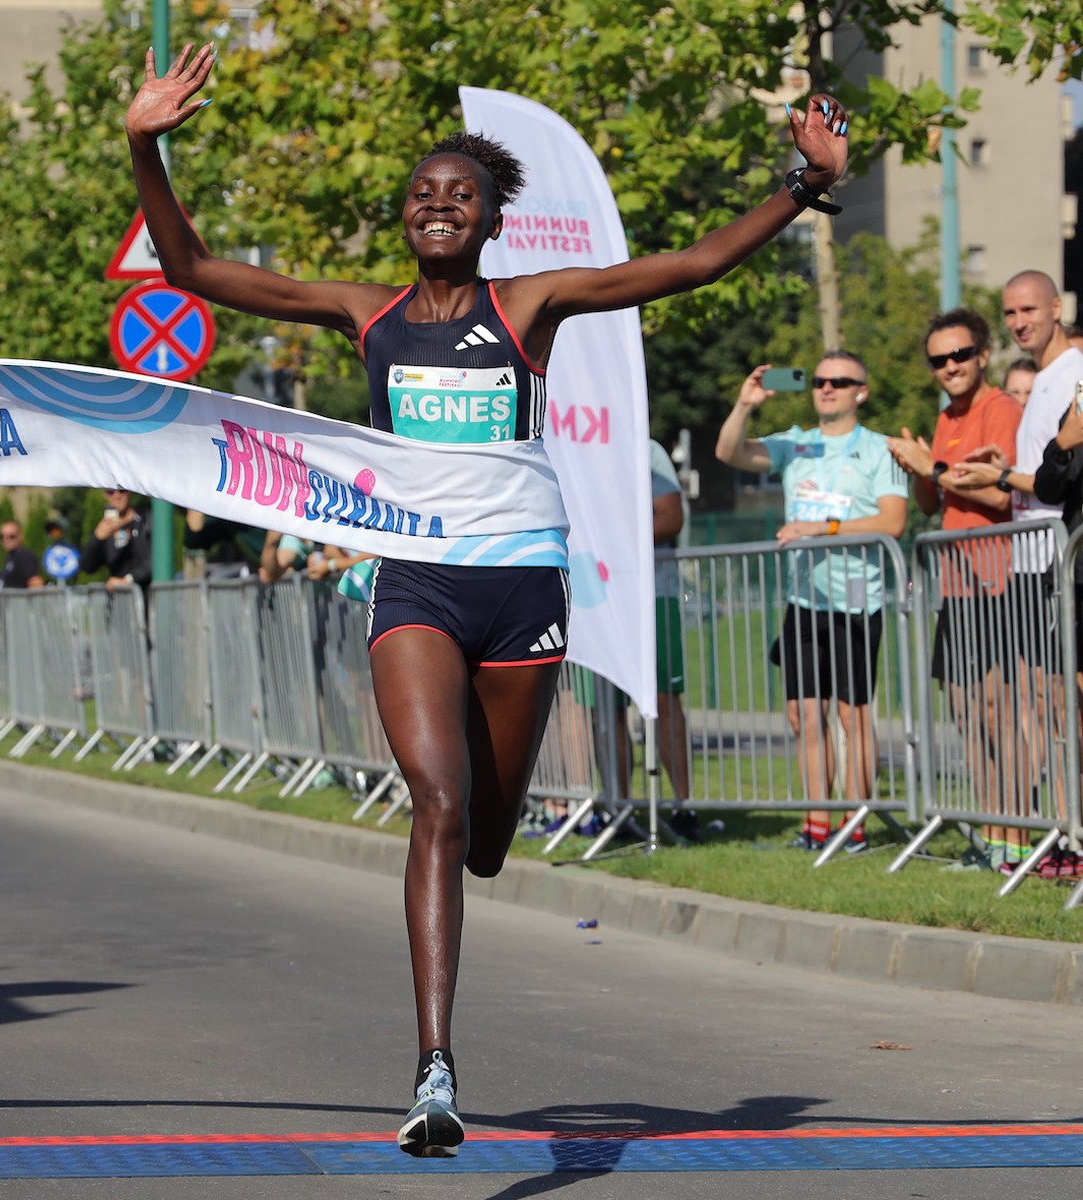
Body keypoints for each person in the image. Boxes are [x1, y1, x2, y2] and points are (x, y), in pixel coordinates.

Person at [127, 42, 848, 1158]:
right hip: (414, 578)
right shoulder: (366, 316)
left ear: (488, 219)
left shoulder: (529, 306)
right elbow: (195, 272)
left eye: (458, 195)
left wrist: (801, 188)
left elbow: (692, 265)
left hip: (522, 590)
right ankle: (433, 1067)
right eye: (421, 193)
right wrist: (145, 143)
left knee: (489, 833)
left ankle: (479, 843)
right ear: (403, 217)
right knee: (438, 801)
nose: (436, 205)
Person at [716, 356, 906, 851]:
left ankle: (856, 826)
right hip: (804, 600)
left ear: (861, 392)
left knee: (852, 716)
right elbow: (729, 452)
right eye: (820, 380)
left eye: (839, 382)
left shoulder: (879, 449)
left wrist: (823, 529)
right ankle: (816, 826)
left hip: (857, 600)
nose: (826, 388)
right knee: (804, 713)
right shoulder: (796, 441)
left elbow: (892, 522)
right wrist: (745, 404)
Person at [950, 273, 1083, 874]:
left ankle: (1071, 834)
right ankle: (1061, 833)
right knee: (1042, 702)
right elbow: (1044, 471)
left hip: (1060, 558)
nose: (1019, 321)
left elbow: (1062, 478)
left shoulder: (1072, 374)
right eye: (1009, 313)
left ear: (1057, 308)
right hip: (1031, 560)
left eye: (1029, 309)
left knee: (1060, 704)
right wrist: (1007, 468)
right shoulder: (1045, 383)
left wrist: (999, 479)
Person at [885, 309, 1025, 867]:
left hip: (999, 578)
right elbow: (931, 502)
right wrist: (920, 470)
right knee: (966, 713)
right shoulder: (946, 418)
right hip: (956, 583)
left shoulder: (1001, 410)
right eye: (939, 360)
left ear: (983, 356)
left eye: (960, 355)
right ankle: (989, 834)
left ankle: (1015, 834)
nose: (950, 367)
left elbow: (1000, 497)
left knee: (998, 712)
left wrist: (934, 465)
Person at [570, 439, 695, 837]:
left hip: (649, 596)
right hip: (596, 600)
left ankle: (683, 808)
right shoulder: (570, 448)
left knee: (661, 702)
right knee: (603, 710)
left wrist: (610, 544)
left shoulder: (646, 448)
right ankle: (618, 808)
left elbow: (671, 517)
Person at [80, 487, 152, 592]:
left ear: (129, 491)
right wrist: (96, 538)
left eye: (122, 490)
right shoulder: (104, 529)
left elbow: (158, 559)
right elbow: (87, 567)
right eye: (110, 492)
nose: (117, 496)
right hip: (119, 602)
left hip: (148, 598)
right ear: (104, 495)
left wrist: (129, 579)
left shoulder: (146, 519)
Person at [0, 521, 44, 590]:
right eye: (2, 537)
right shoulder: (11, 557)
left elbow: (36, 583)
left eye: (11, 536)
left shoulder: (24, 555)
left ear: (20, 536)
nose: (6, 540)